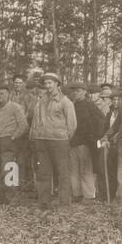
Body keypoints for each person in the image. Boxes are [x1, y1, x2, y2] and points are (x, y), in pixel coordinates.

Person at [30, 72, 77, 209]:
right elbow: (36, 120)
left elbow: (72, 125)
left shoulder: (65, 102)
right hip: (42, 140)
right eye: (45, 83)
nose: (47, 86)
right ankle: (44, 202)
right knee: (43, 172)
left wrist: (63, 138)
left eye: (50, 83)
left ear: (57, 84)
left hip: (59, 141)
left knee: (63, 172)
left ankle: (64, 203)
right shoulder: (41, 101)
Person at [0, 81, 28, 203]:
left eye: (2, 94)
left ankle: (11, 198)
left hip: (7, 141)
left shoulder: (15, 107)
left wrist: (13, 137)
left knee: (9, 168)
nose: (0, 97)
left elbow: (23, 125)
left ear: (8, 94)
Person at [71, 81, 108, 201]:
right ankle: (77, 194)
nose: (76, 93)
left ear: (84, 92)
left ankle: (89, 196)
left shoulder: (90, 105)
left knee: (86, 169)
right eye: (74, 91)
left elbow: (101, 121)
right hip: (72, 142)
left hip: (85, 143)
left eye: (79, 91)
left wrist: (93, 136)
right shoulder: (72, 105)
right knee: (74, 169)